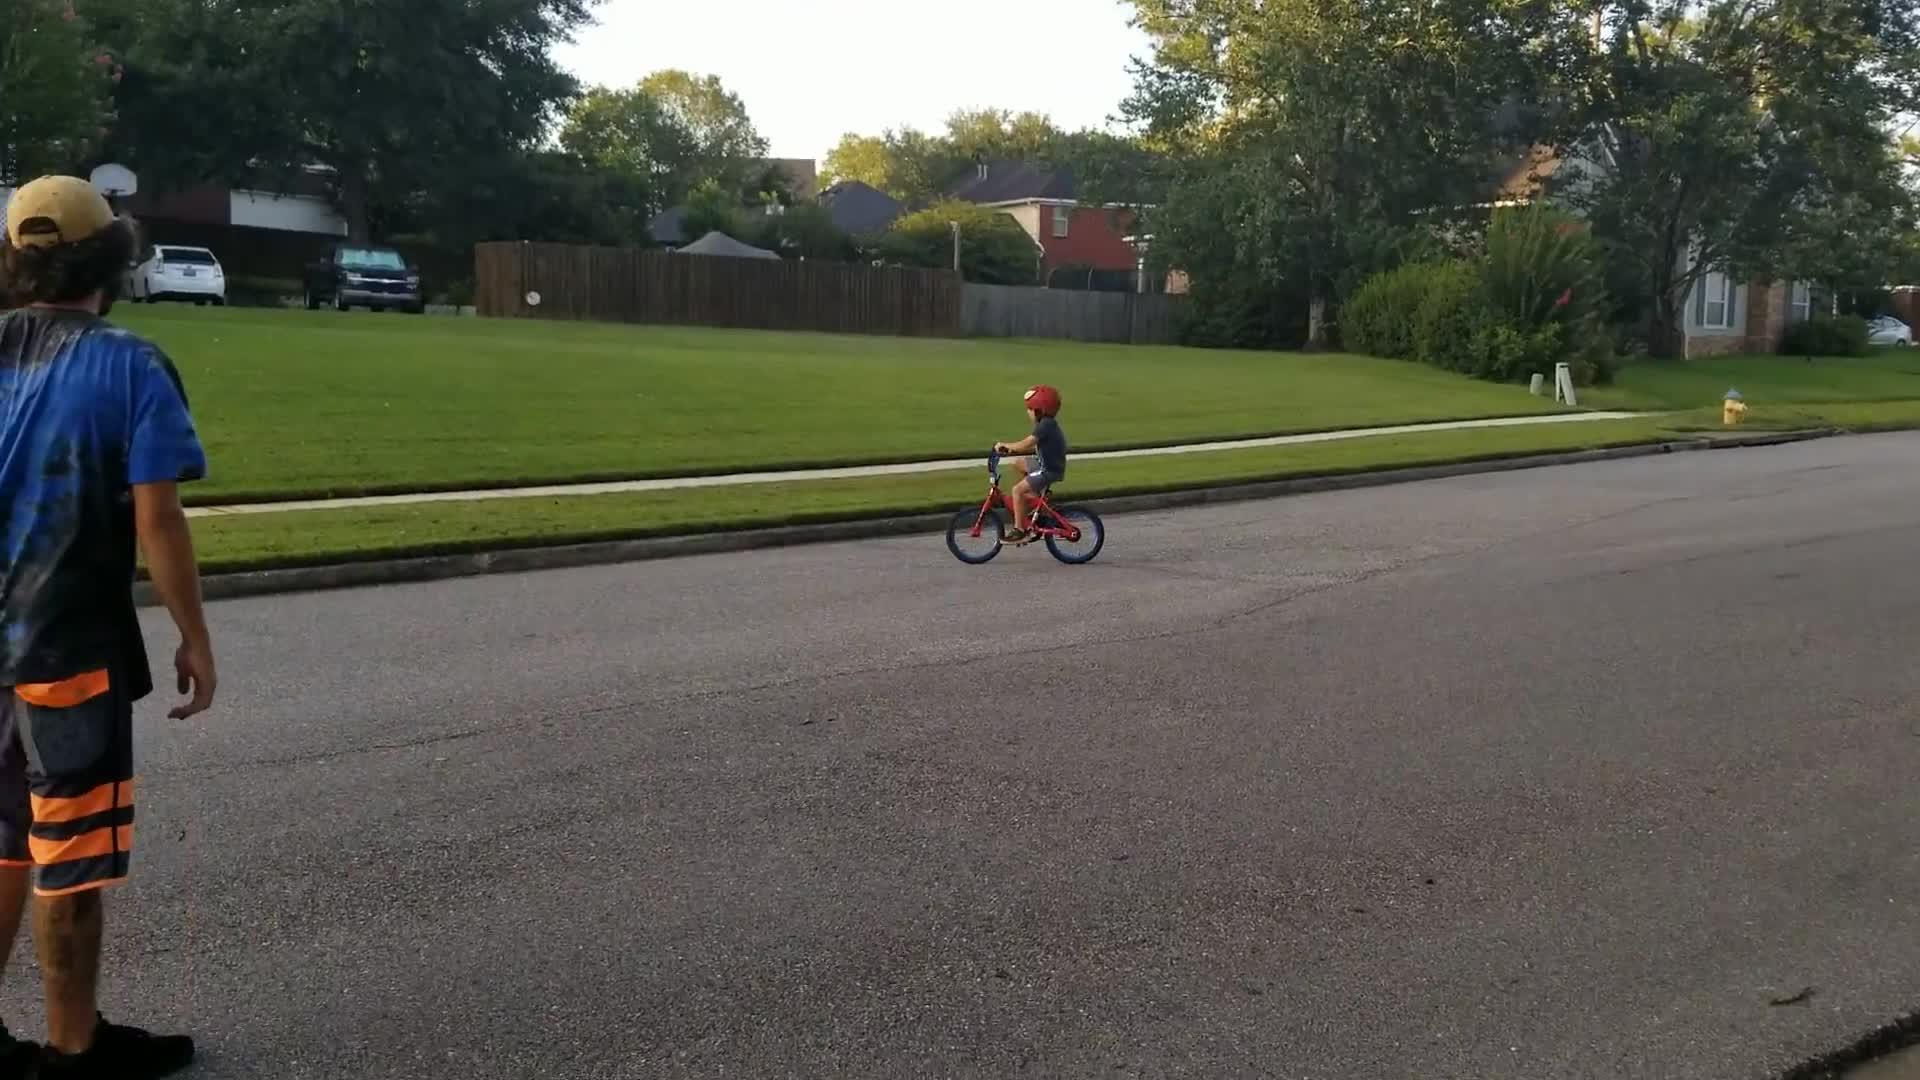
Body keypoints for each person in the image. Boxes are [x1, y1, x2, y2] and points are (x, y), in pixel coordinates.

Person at [0, 176, 214, 1079]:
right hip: (66, 649)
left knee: (8, 837)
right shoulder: (129, 364)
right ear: (112, 258)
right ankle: (74, 1047)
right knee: (71, 854)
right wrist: (194, 637)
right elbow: (156, 519)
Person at [993, 384, 1067, 545]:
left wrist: (1006, 445)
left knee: (1017, 491)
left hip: (1048, 469)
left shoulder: (1046, 425)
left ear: (1040, 410)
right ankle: (1034, 502)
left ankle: (1020, 531)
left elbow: (1027, 443)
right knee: (1019, 463)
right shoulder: (1046, 424)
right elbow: (1032, 446)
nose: (1028, 412)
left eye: (1030, 408)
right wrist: (1011, 450)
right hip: (1044, 464)